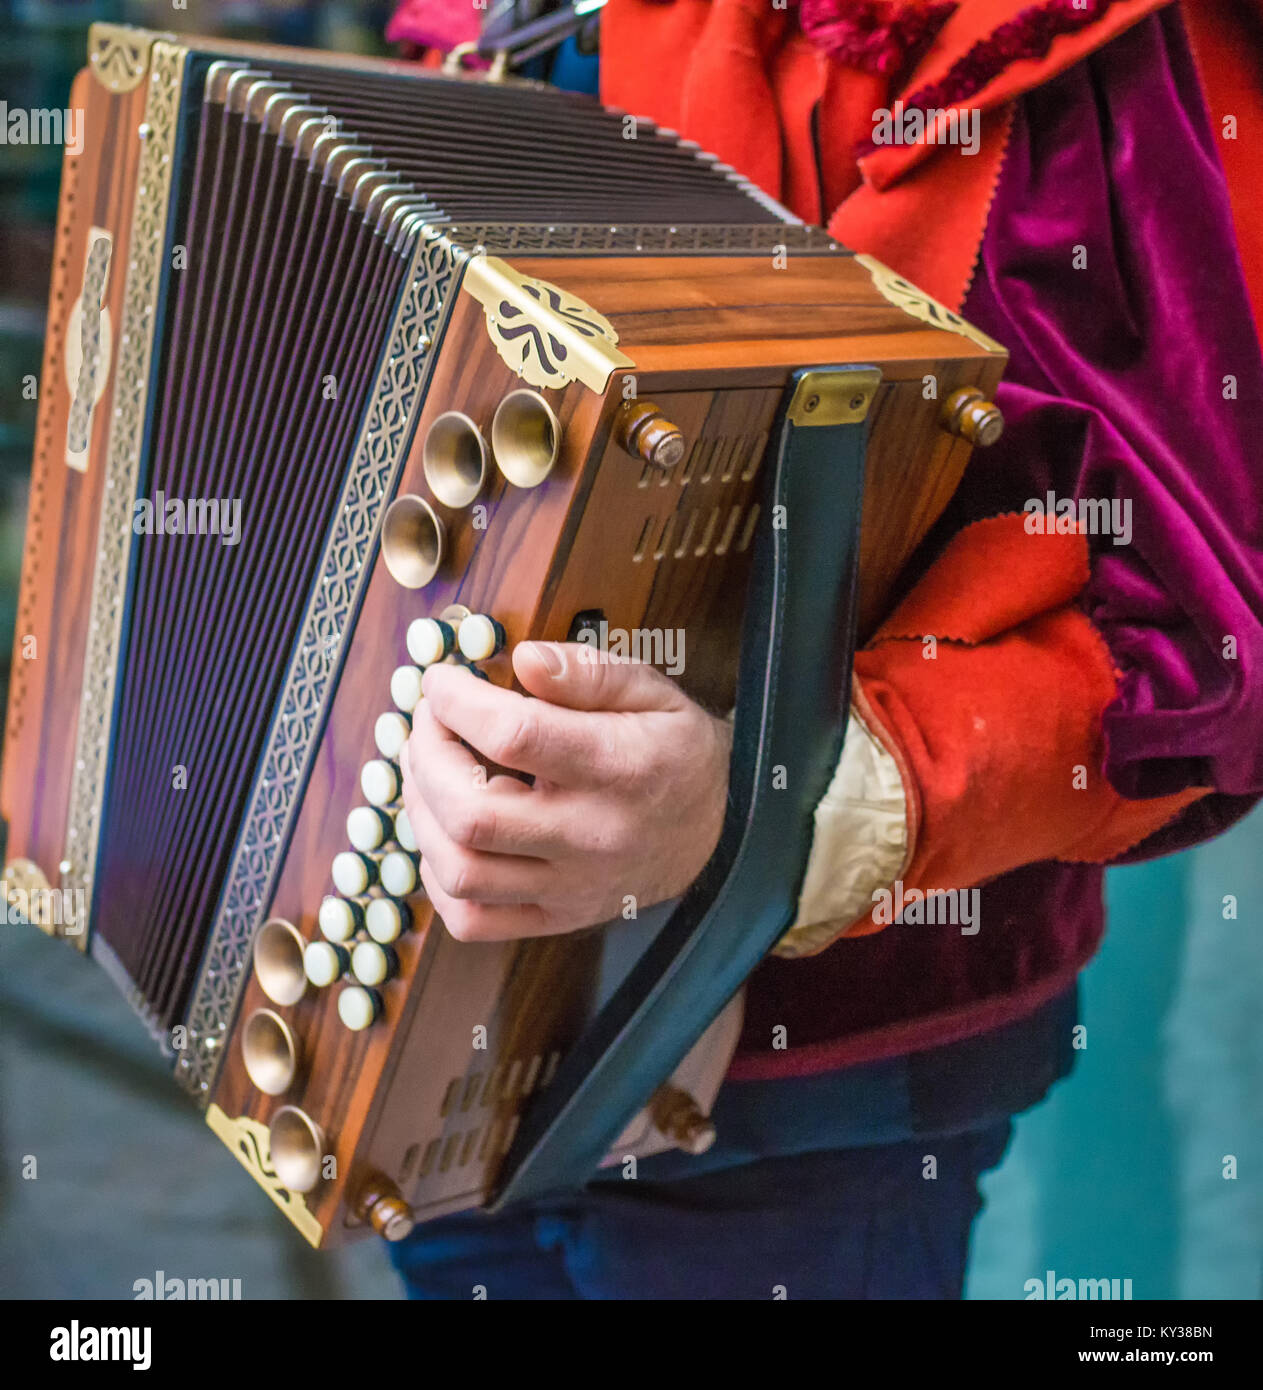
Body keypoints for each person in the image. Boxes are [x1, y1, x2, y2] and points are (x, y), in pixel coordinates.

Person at [382, 0, 1263, 1298]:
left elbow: (1196, 617)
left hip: (800, 1106)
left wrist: (764, 829)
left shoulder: (1068, 40)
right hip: (441, 1007)